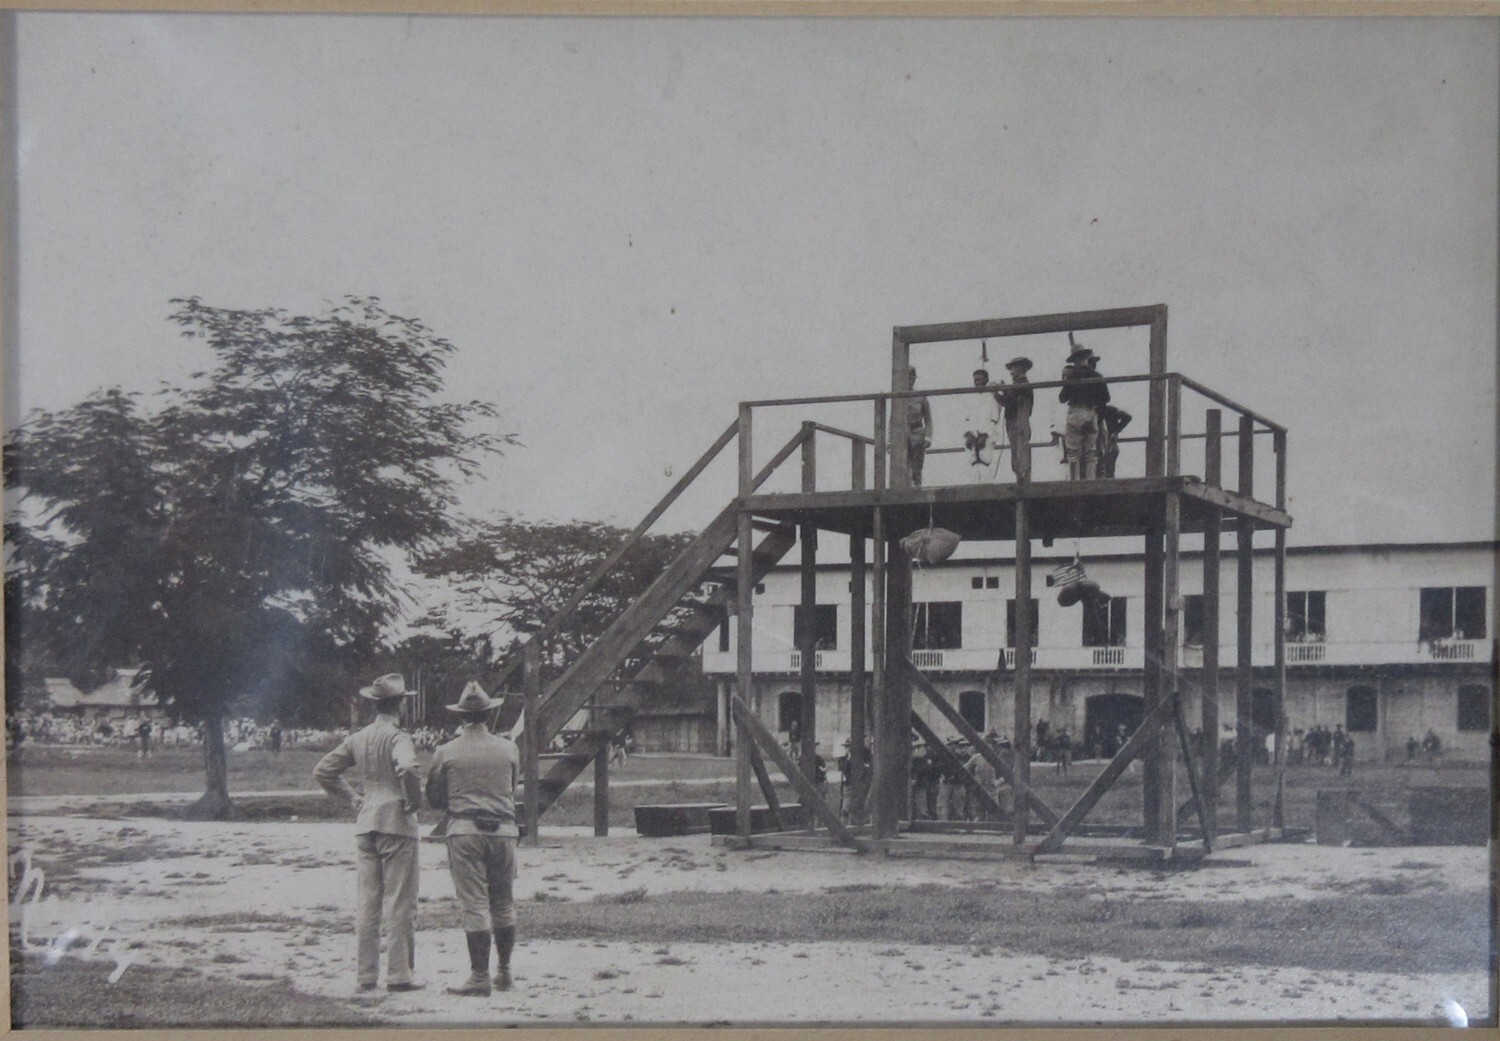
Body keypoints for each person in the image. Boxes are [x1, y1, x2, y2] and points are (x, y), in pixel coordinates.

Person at [313, 673, 424, 994]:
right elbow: (407, 768)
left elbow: (323, 771)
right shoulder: (397, 737)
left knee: (368, 902)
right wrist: (412, 802)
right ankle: (400, 974)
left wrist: (352, 798)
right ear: (400, 703)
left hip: (366, 823)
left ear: (376, 704)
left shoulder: (359, 737)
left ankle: (365, 975)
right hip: (397, 823)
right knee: (400, 901)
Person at [425, 681, 521, 997]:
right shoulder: (508, 747)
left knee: (475, 904)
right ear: (490, 715)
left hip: (465, 830)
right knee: (503, 901)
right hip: (504, 830)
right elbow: (513, 783)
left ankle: (480, 976)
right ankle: (505, 971)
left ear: (461, 717)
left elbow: (435, 796)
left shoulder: (446, 751)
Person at [1059, 343, 1110, 480]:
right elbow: (1106, 398)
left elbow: (1062, 398)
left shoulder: (1072, 377)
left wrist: (1064, 380)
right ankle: (1090, 480)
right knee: (1091, 451)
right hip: (1091, 412)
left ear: (1074, 360)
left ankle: (1075, 482)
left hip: (1076, 412)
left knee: (1073, 451)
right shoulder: (1097, 375)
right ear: (1087, 358)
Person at [994, 356, 1034, 483]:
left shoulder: (1022, 385)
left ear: (1020, 369)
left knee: (1019, 450)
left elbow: (1008, 402)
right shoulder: (1020, 385)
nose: (1011, 372)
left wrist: (995, 393)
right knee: (1018, 449)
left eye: (1013, 368)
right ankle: (1021, 477)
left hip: (1018, 421)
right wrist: (1005, 389)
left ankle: (1022, 478)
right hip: (1017, 421)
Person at [961, 368, 1000, 477]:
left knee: (985, 461)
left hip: (987, 435)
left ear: (986, 380)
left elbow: (995, 419)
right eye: (975, 380)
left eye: (980, 380)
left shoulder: (992, 397)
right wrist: (968, 435)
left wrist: (985, 435)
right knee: (973, 462)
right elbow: (965, 419)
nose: (977, 383)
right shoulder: (969, 398)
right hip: (972, 435)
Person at [905, 367, 933, 486]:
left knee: (917, 465)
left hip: (917, 432)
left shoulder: (921, 397)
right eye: (908, 379)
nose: (910, 381)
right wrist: (890, 440)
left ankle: (917, 487)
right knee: (902, 464)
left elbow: (928, 420)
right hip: (902, 432)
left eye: (912, 379)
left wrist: (928, 437)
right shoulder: (897, 396)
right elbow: (892, 420)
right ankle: (904, 489)